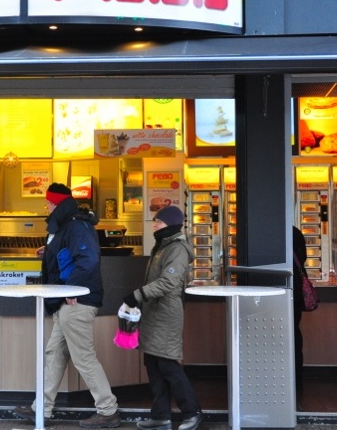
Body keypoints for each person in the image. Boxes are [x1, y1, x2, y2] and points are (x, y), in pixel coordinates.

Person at [14, 183, 120, 428]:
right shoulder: (70, 223)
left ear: (57, 203)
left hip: (77, 300)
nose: (46, 207)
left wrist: (71, 289)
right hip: (68, 299)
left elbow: (88, 259)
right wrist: (49, 251)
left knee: (83, 357)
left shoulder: (76, 224)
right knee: (55, 354)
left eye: (48, 203)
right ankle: (42, 409)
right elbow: (70, 254)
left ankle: (108, 410)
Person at [124, 205, 202, 430]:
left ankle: (192, 412)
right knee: (153, 363)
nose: (154, 225)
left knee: (168, 364)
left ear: (171, 224)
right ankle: (161, 416)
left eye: (159, 222)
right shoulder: (162, 246)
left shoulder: (176, 249)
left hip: (166, 313)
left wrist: (137, 295)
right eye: (155, 221)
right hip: (153, 312)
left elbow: (168, 283)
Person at [292, 225, 308, 396]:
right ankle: (297, 378)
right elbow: (303, 258)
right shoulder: (295, 232)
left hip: (287, 292)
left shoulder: (274, 233)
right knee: (294, 333)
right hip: (295, 294)